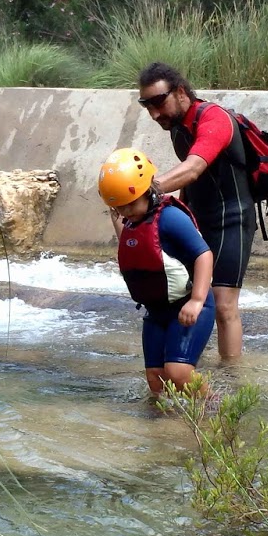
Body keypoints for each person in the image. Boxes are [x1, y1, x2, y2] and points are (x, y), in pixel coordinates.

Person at [135, 62, 255, 360]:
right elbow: (192, 184)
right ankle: (183, 367)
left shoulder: (214, 118)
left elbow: (194, 167)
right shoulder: (177, 128)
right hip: (198, 219)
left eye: (158, 102)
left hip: (232, 220)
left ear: (180, 92)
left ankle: (231, 380)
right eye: (146, 105)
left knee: (223, 305)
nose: (154, 114)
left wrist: (142, 190)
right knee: (184, 296)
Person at [98, 148, 216, 398]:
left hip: (188, 307)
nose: (126, 212)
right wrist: (118, 213)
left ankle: (217, 411)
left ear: (146, 190)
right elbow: (134, 245)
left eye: (130, 204)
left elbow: (203, 255)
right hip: (157, 311)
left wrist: (196, 300)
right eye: (119, 208)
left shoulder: (170, 218)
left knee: (179, 372)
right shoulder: (131, 220)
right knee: (155, 377)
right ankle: (163, 428)